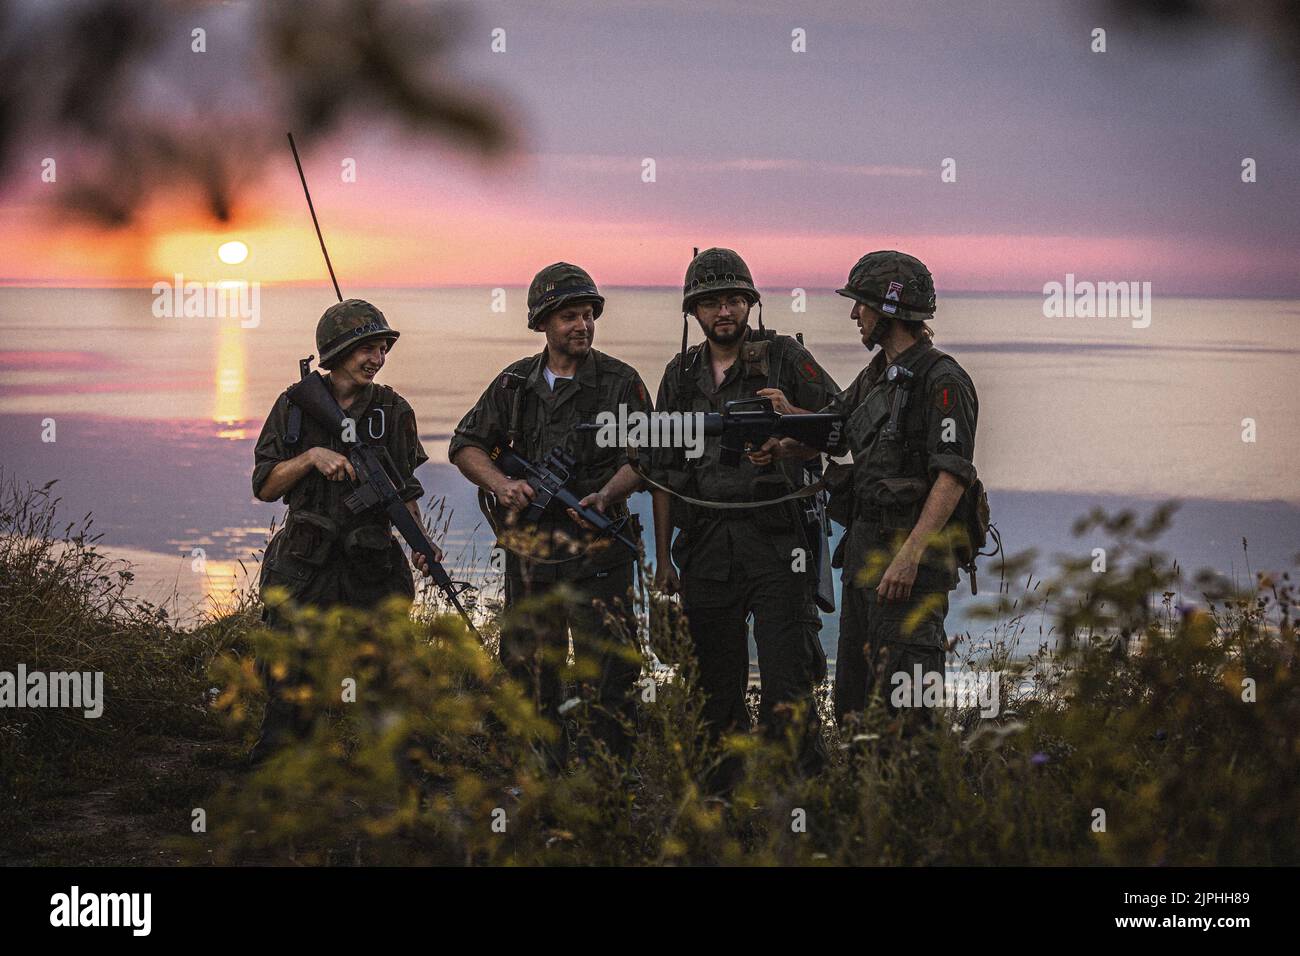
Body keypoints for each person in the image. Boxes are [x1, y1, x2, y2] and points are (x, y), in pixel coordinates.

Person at [760, 251, 979, 726]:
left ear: (890, 310)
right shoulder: (878, 375)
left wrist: (911, 554)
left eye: (862, 303)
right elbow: (836, 429)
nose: (854, 314)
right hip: (864, 558)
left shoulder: (943, 381)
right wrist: (785, 432)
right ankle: (860, 798)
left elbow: (953, 475)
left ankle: (907, 798)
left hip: (910, 567)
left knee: (908, 707)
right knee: (855, 704)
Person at [449, 263, 651, 767]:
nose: (582, 325)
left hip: (599, 557)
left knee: (608, 673)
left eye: (587, 315)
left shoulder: (620, 382)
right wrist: (502, 484)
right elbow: (466, 444)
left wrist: (606, 495)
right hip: (531, 558)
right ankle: (537, 778)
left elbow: (647, 457)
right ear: (543, 323)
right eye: (568, 316)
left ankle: (608, 782)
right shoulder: (514, 384)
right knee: (529, 671)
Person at [650, 247, 839, 783]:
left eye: (734, 299)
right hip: (706, 547)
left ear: (750, 304)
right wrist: (663, 561)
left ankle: (798, 808)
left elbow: (839, 427)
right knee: (712, 689)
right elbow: (663, 472)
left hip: (780, 544)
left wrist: (788, 431)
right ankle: (720, 811)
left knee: (789, 685)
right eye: (711, 303)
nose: (724, 311)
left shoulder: (784, 358)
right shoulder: (681, 374)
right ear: (694, 311)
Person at [250, 298, 439, 761]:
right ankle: (278, 769)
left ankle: (398, 771)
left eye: (381, 349)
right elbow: (265, 486)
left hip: (371, 560)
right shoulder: (295, 406)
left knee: (386, 669)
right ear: (335, 354)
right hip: (304, 561)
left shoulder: (393, 410)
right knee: (290, 670)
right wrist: (311, 458)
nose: (376, 359)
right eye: (365, 349)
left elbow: (406, 489)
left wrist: (421, 541)